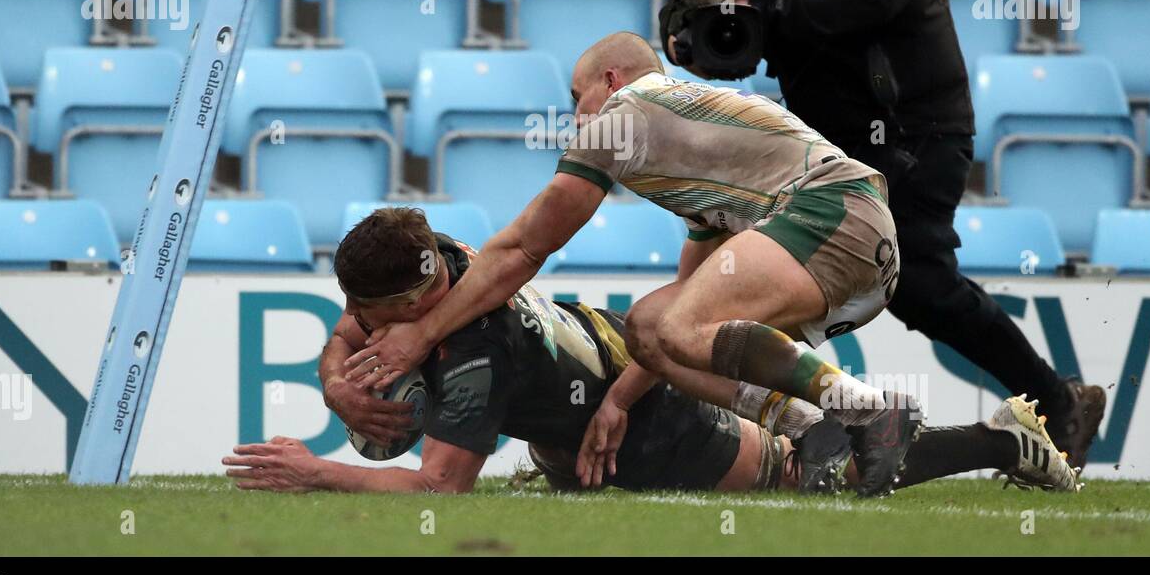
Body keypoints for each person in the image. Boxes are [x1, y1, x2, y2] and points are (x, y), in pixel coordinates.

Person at [686, 0, 1104, 465]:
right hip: (821, 136)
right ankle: (761, 432)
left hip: (913, 131)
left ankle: (1060, 402)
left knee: (920, 286)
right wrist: (699, 14)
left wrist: (776, 10)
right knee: (776, 269)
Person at [352, 34, 925, 497]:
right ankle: (817, 427)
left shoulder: (624, 117)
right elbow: (679, 334)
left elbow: (524, 247)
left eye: (578, 100)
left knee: (670, 325)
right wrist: (617, 401)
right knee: (657, 328)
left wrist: (423, 333)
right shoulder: (701, 156)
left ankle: (870, 412)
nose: (578, 121)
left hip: (831, 211)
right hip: (864, 246)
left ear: (610, 82)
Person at [222, 209, 1079, 495]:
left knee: (809, 475)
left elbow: (437, 487)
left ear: (415, 303)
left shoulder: (477, 350)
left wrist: (320, 467)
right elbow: (347, 324)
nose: (365, 330)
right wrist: (338, 386)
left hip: (645, 416)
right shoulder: (438, 255)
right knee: (796, 439)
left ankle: (1005, 438)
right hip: (603, 362)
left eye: (379, 320)